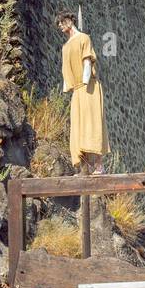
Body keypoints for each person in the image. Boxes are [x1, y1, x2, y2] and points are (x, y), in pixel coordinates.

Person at [58, 10, 108, 175]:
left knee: (92, 123)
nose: (59, 26)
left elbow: (87, 60)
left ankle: (99, 164)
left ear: (69, 21)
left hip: (89, 87)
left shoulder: (84, 38)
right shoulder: (65, 46)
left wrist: (85, 80)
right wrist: (69, 87)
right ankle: (84, 168)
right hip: (77, 90)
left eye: (61, 22)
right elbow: (66, 69)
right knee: (78, 127)